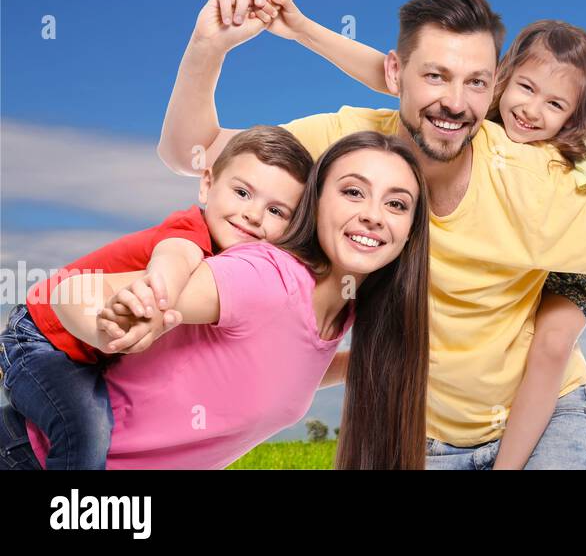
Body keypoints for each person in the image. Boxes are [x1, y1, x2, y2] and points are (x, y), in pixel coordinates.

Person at [156, 0, 586, 469]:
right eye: (436, 76)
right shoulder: (350, 147)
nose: (455, 101)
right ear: (397, 75)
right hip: (413, 428)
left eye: (475, 81)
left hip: (542, 422)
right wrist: (207, 49)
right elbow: (192, 153)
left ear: (491, 89)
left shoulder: (540, 186)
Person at [0, 131, 431, 470]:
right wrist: (120, 318)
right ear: (314, 207)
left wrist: (383, 362)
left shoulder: (346, 312)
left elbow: (276, 366)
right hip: (31, 457)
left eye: (396, 203)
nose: (374, 213)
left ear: (411, 229)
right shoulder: (263, 277)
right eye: (354, 192)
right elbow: (76, 290)